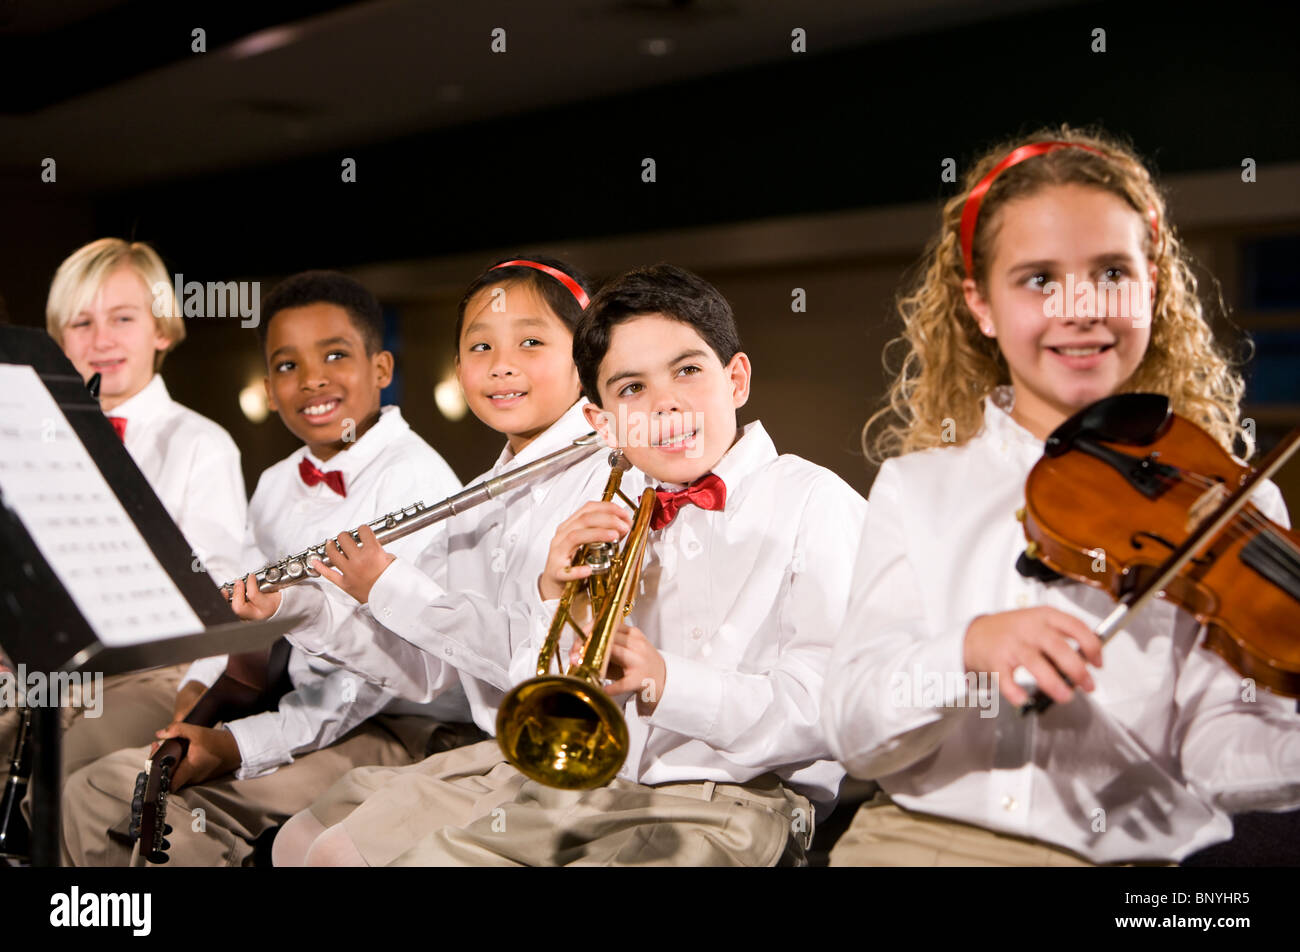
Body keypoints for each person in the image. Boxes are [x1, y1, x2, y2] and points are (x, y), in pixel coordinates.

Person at [275, 263, 867, 867]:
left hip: (739, 800)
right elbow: (542, 686)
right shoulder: (614, 505)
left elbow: (833, 709)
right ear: (603, 420)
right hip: (601, 787)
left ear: (735, 379)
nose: (664, 403)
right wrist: (556, 596)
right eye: (632, 388)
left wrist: (668, 679)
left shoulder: (814, 502)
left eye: (688, 371)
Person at [821, 127, 1300, 866]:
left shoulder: (1233, 506)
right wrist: (968, 649)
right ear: (980, 305)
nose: (1080, 307)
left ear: (1155, 287)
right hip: (914, 843)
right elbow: (852, 728)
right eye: (1039, 278)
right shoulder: (918, 488)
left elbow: (1220, 749)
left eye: (1112, 271)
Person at [62, 270, 465, 866]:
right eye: (286, 366)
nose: (312, 379)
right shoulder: (277, 484)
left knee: (153, 800)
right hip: (302, 712)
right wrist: (197, 695)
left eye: (335, 355)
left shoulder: (418, 483)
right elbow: (237, 615)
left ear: (381, 369)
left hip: (401, 729)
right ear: (270, 390)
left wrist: (234, 745)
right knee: (92, 788)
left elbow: (380, 679)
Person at [0, 238, 247, 782]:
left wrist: (196, 691)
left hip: (150, 674)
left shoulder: (201, 444)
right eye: (81, 322)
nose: (101, 339)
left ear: (162, 329)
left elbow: (222, 586)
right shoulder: (28, 435)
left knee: (66, 771)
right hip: (44, 671)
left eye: (123, 318)